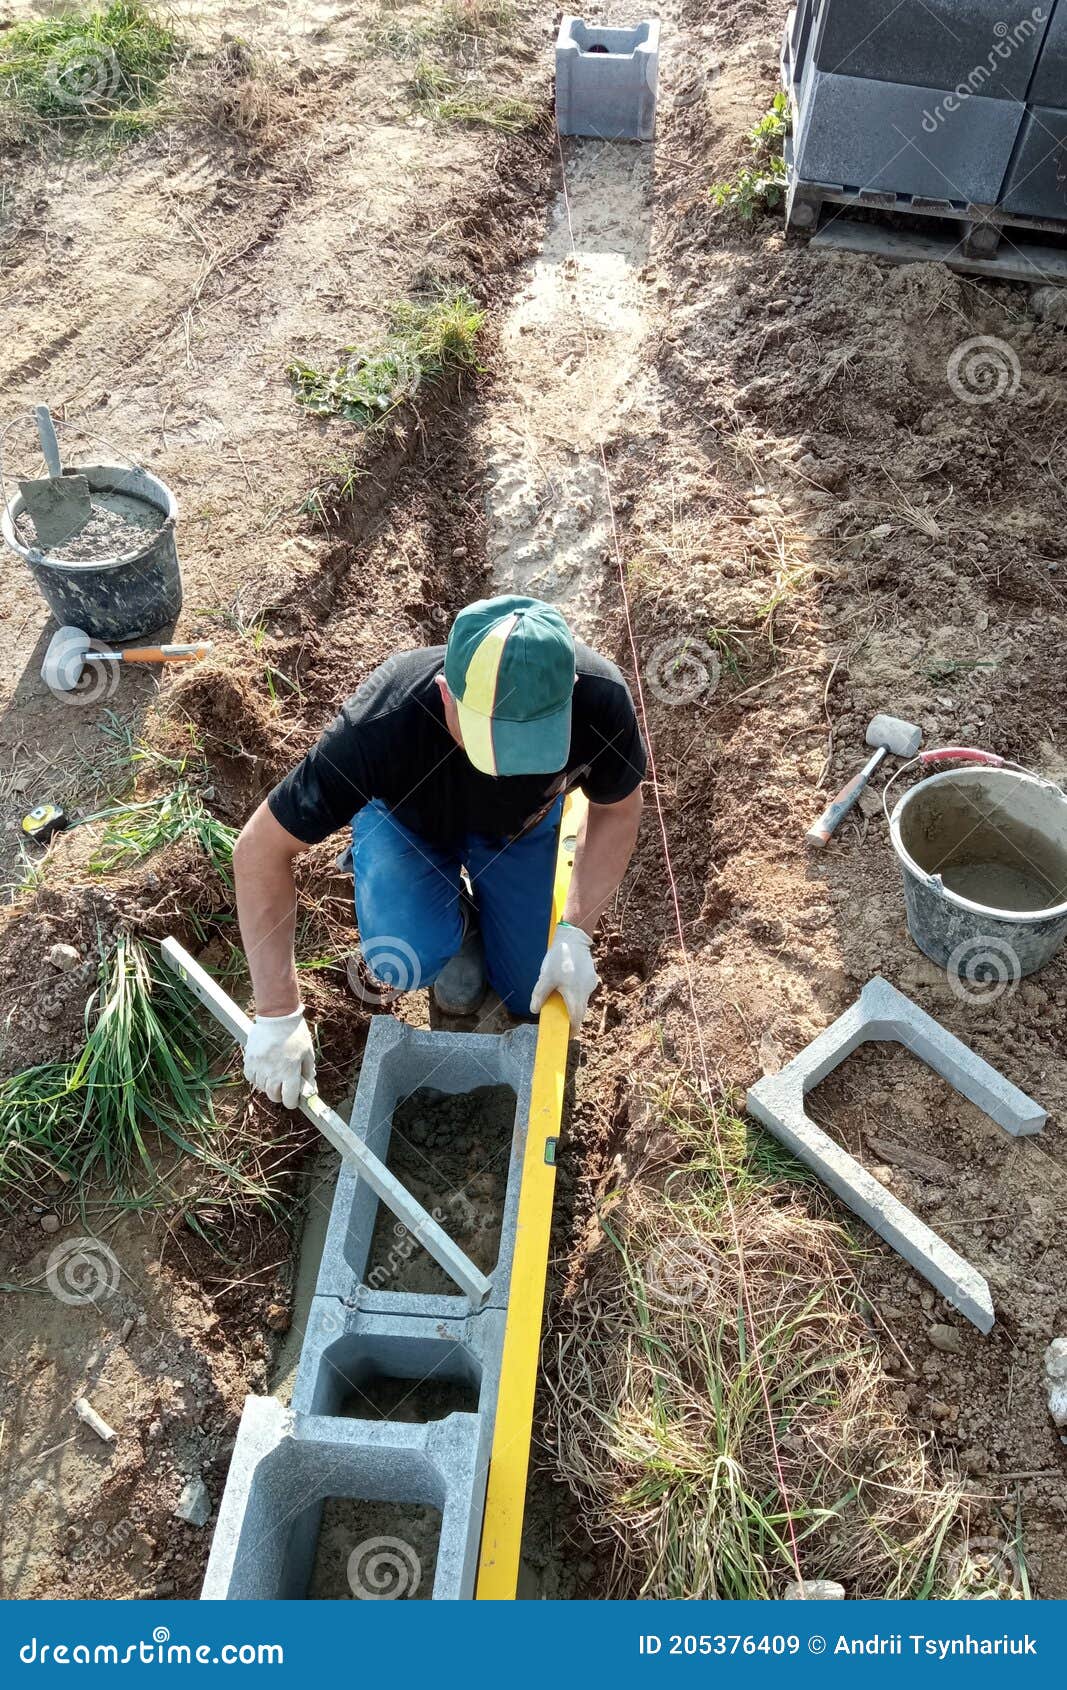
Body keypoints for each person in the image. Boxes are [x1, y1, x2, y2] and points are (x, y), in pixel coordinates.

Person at [233, 594, 645, 1106]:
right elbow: (258, 851)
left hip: (518, 832)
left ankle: (486, 918)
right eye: (486, 740)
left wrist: (575, 933)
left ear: (571, 694)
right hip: (410, 828)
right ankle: (452, 919)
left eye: (526, 748)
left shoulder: (601, 701)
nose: (503, 768)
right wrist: (277, 1013)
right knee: (402, 960)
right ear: (446, 694)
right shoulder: (384, 721)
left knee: (529, 993)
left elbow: (617, 810)